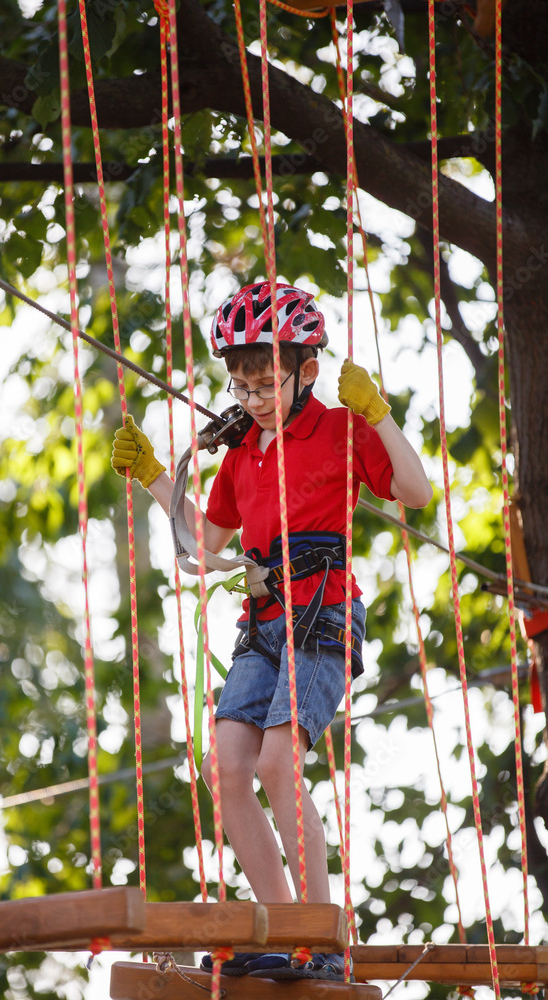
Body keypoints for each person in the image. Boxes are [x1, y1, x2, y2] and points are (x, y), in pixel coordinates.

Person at [111, 281, 432, 981]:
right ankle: (282, 928)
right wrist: (154, 477)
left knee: (278, 762)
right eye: (240, 384)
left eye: (266, 383)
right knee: (225, 767)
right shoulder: (242, 453)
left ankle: (319, 937)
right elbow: (201, 544)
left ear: (305, 371)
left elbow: (416, 492)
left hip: (322, 615)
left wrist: (376, 414)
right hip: (260, 622)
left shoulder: (342, 430)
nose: (252, 398)